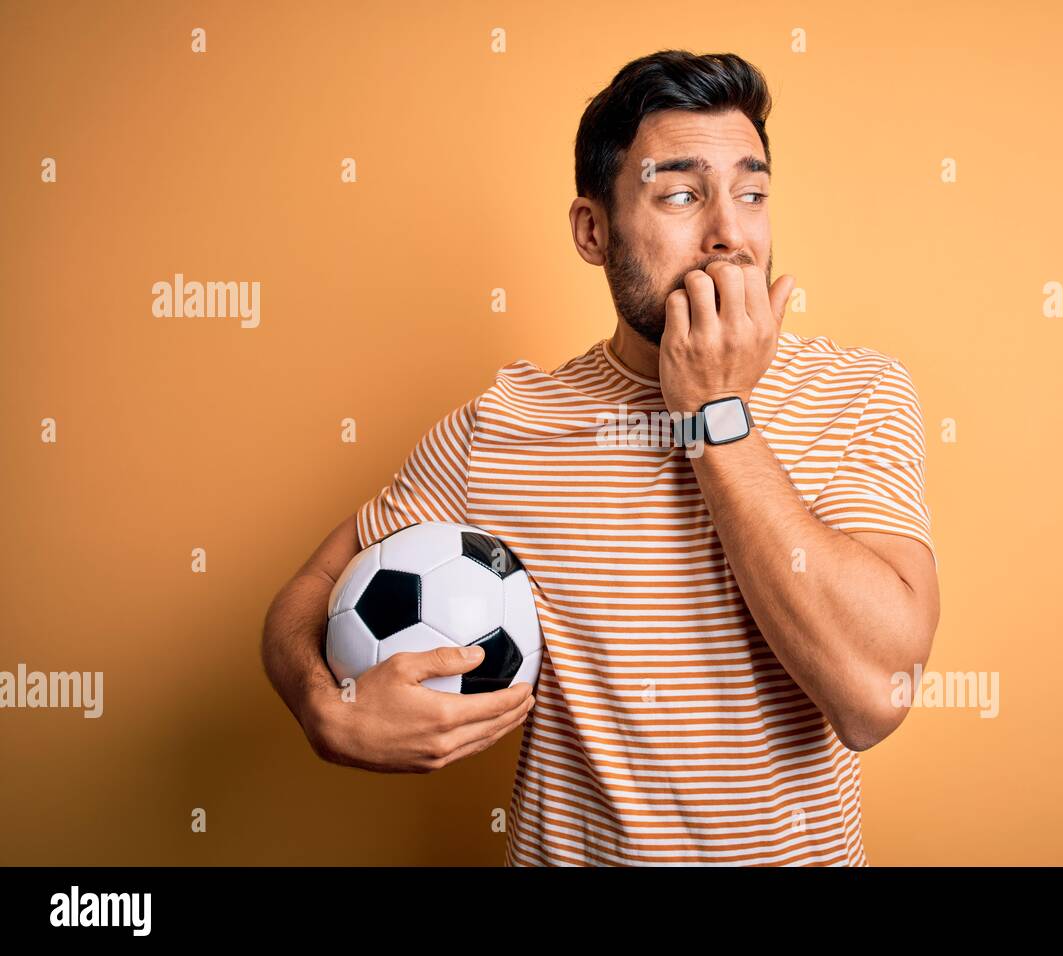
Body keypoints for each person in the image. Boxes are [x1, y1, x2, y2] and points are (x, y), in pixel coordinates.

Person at [262, 49, 940, 866]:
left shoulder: (858, 393)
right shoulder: (504, 426)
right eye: (683, 194)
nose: (729, 233)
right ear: (594, 230)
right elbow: (307, 593)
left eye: (752, 193)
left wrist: (714, 416)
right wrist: (317, 699)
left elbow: (874, 698)